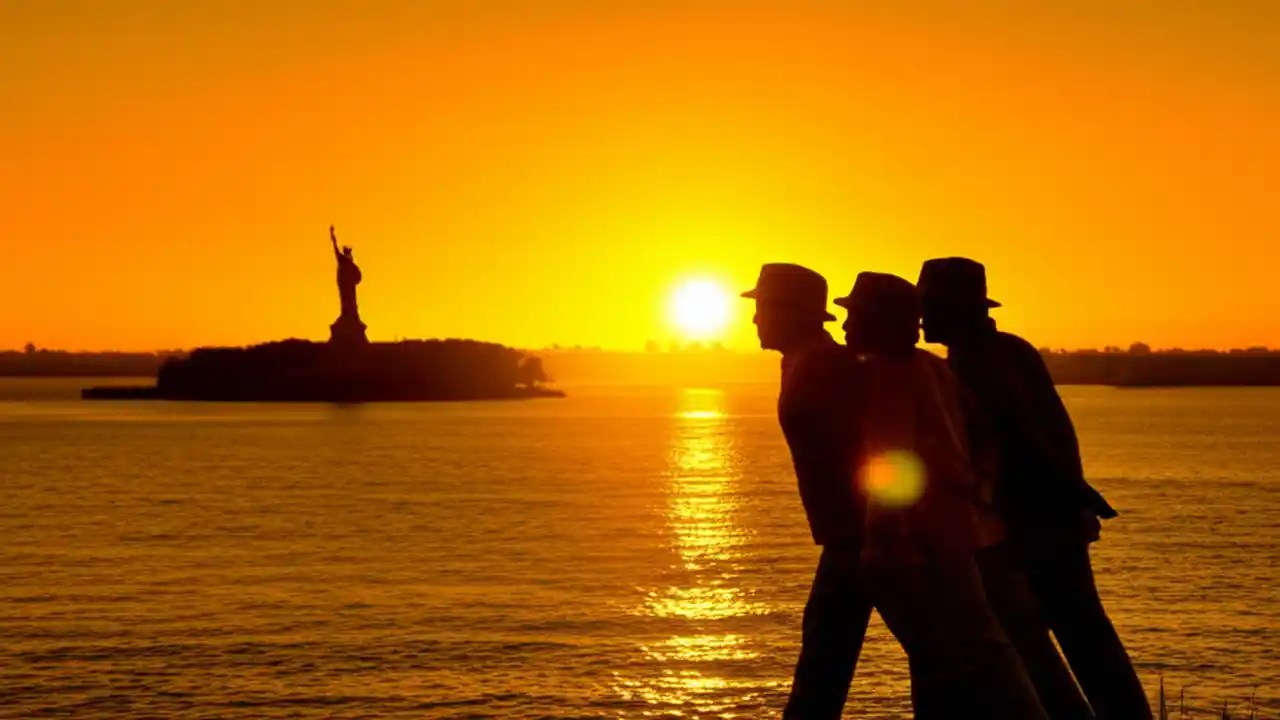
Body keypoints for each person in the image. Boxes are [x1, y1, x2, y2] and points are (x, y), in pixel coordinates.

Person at [744, 264, 1046, 720]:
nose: (754, 321)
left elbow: (886, 451)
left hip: (872, 541)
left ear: (790, 312)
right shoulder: (814, 363)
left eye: (761, 309)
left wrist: (887, 529)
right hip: (861, 539)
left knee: (955, 657)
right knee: (913, 658)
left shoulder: (831, 368)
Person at [838, 272, 1093, 720]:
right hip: (970, 531)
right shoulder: (937, 368)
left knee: (982, 653)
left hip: (931, 543)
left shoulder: (888, 378)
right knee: (982, 652)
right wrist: (980, 490)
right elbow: (985, 437)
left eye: (853, 316)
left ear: (878, 322)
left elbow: (891, 465)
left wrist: (883, 539)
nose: (844, 327)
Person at [917, 257, 1151, 720]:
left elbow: (1021, 434)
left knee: (1068, 633)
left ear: (954, 309)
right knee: (1074, 633)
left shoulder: (982, 361)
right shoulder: (1001, 351)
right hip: (1042, 513)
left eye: (930, 307)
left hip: (1034, 519)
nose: (923, 319)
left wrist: (1071, 494)